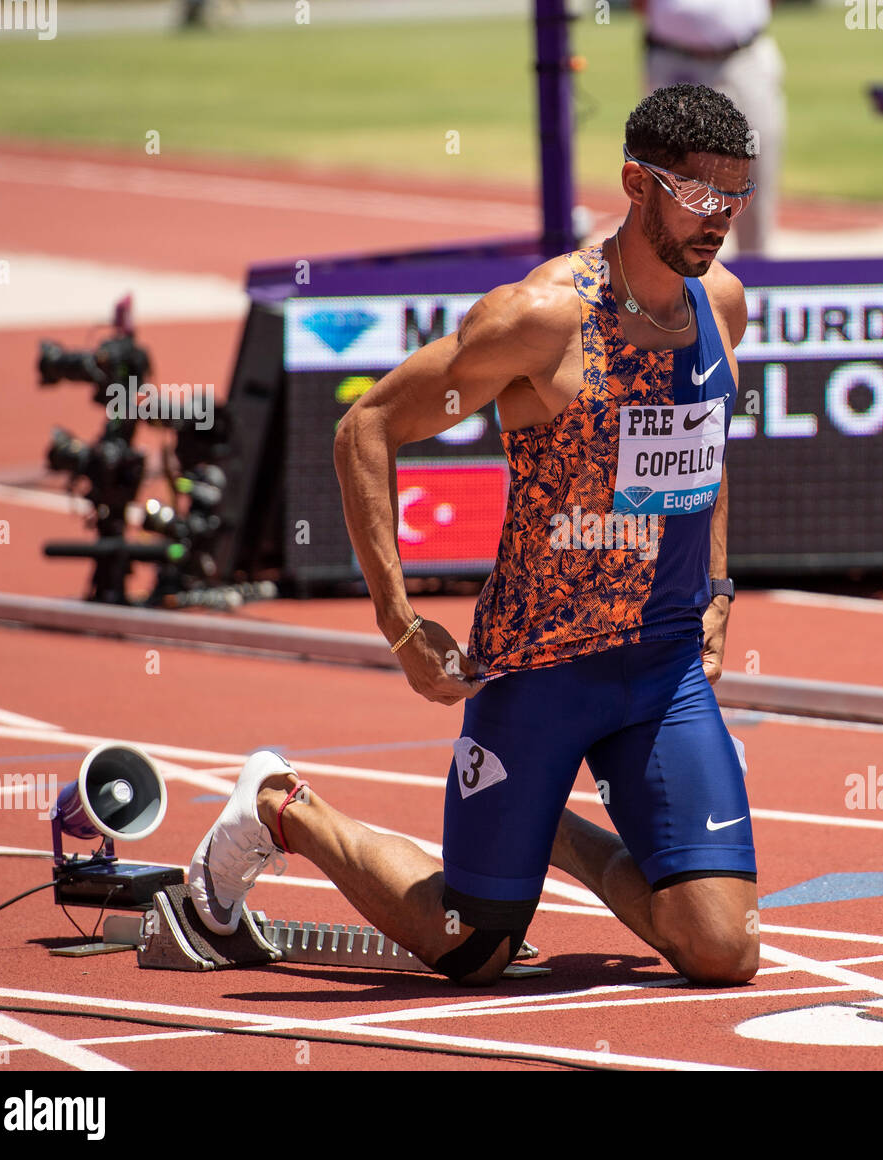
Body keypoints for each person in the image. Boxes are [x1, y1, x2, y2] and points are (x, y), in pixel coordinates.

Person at [190, 84, 760, 988]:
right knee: (471, 945)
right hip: (541, 667)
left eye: (737, 194)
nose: (720, 217)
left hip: (662, 669)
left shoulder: (721, 305)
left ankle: (550, 830)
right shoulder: (540, 319)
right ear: (634, 183)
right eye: (698, 194)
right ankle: (279, 804)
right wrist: (401, 625)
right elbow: (365, 429)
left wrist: (718, 584)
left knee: (722, 951)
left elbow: (706, 446)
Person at [635, 0, 784, 257]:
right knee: (671, 179)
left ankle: (757, 276)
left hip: (743, 56)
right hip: (673, 59)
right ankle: (673, 287)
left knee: (755, 170)